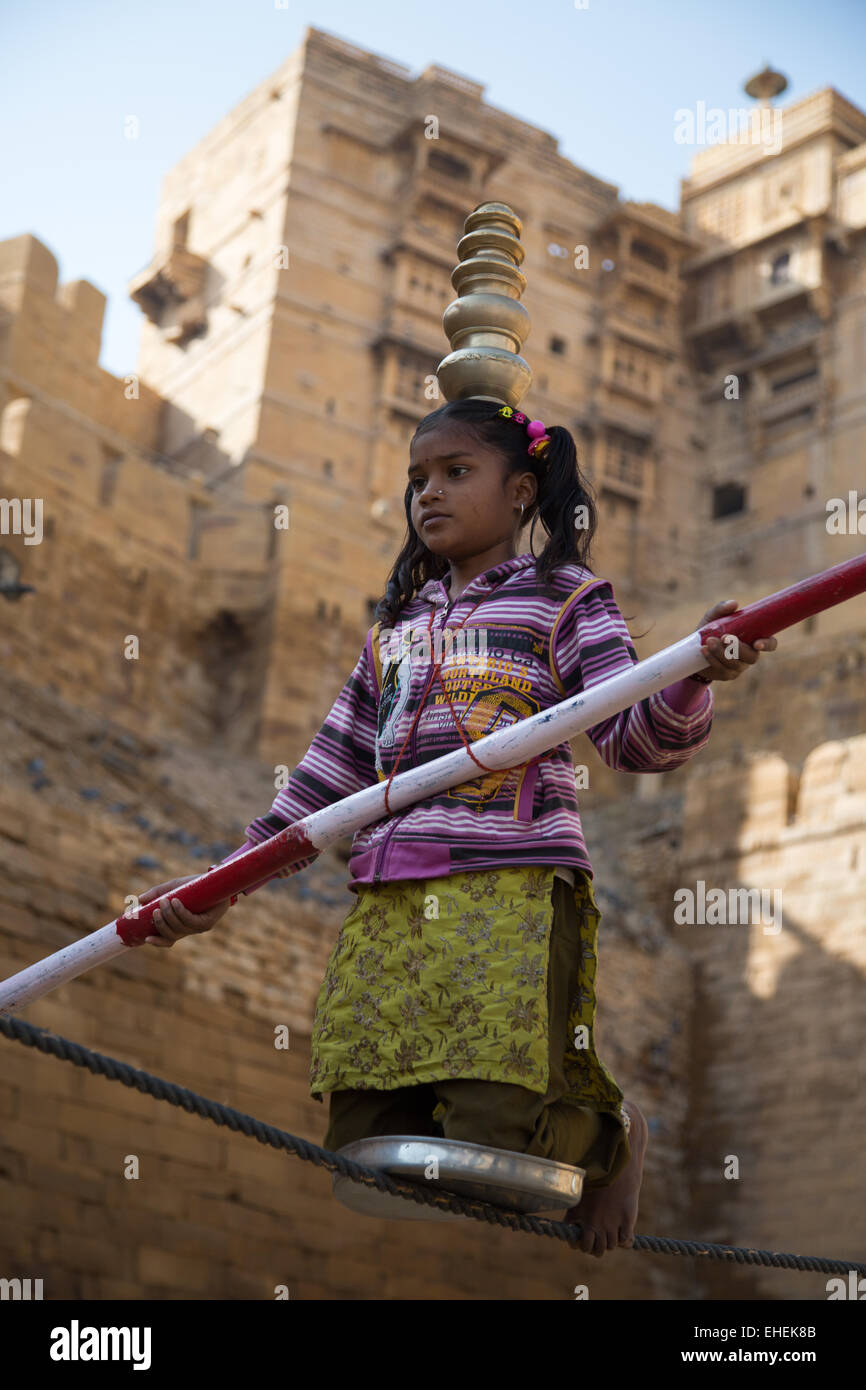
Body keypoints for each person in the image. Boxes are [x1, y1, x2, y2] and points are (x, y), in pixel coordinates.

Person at [135, 399, 777, 1257]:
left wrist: (696, 676)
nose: (428, 495)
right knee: (365, 1135)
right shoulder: (393, 637)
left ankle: (611, 1136)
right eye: (417, 481)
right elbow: (322, 786)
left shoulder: (565, 600)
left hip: (509, 892)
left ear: (520, 494)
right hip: (389, 903)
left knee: (493, 1134)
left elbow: (636, 738)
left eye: (454, 474)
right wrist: (218, 887)